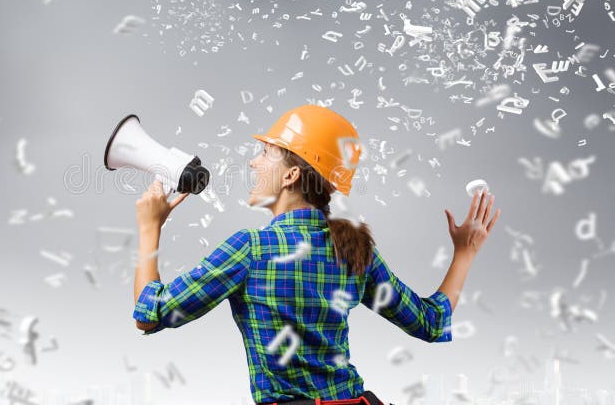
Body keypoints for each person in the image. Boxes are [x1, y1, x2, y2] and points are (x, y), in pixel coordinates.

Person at [132, 105, 501, 405]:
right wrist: (464, 253)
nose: (253, 163)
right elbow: (431, 323)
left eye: (264, 153)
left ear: (291, 174)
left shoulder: (250, 249)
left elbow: (150, 315)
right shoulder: (354, 249)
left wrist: (151, 229)